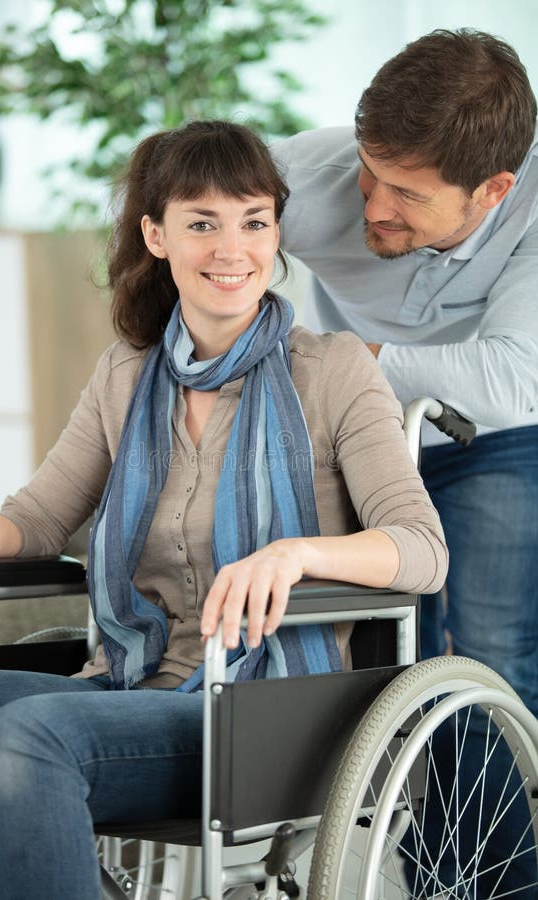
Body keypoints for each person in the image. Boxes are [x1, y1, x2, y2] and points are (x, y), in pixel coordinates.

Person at [0, 120, 446, 899]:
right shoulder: (126, 376)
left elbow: (420, 547)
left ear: (277, 231)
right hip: (130, 686)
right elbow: (38, 517)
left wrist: (296, 553)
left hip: (268, 714)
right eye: (202, 224)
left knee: (26, 737)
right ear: (157, 234)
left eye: (254, 222)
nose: (231, 250)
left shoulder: (333, 370)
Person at [273, 27, 538, 897]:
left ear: (494, 190)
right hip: (368, 434)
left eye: (407, 194)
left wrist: (350, 362)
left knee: (482, 649)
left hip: (504, 435)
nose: (372, 204)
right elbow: (174, 198)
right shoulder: (309, 177)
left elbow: (513, 378)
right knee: (370, 655)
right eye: (369, 172)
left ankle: (495, 881)